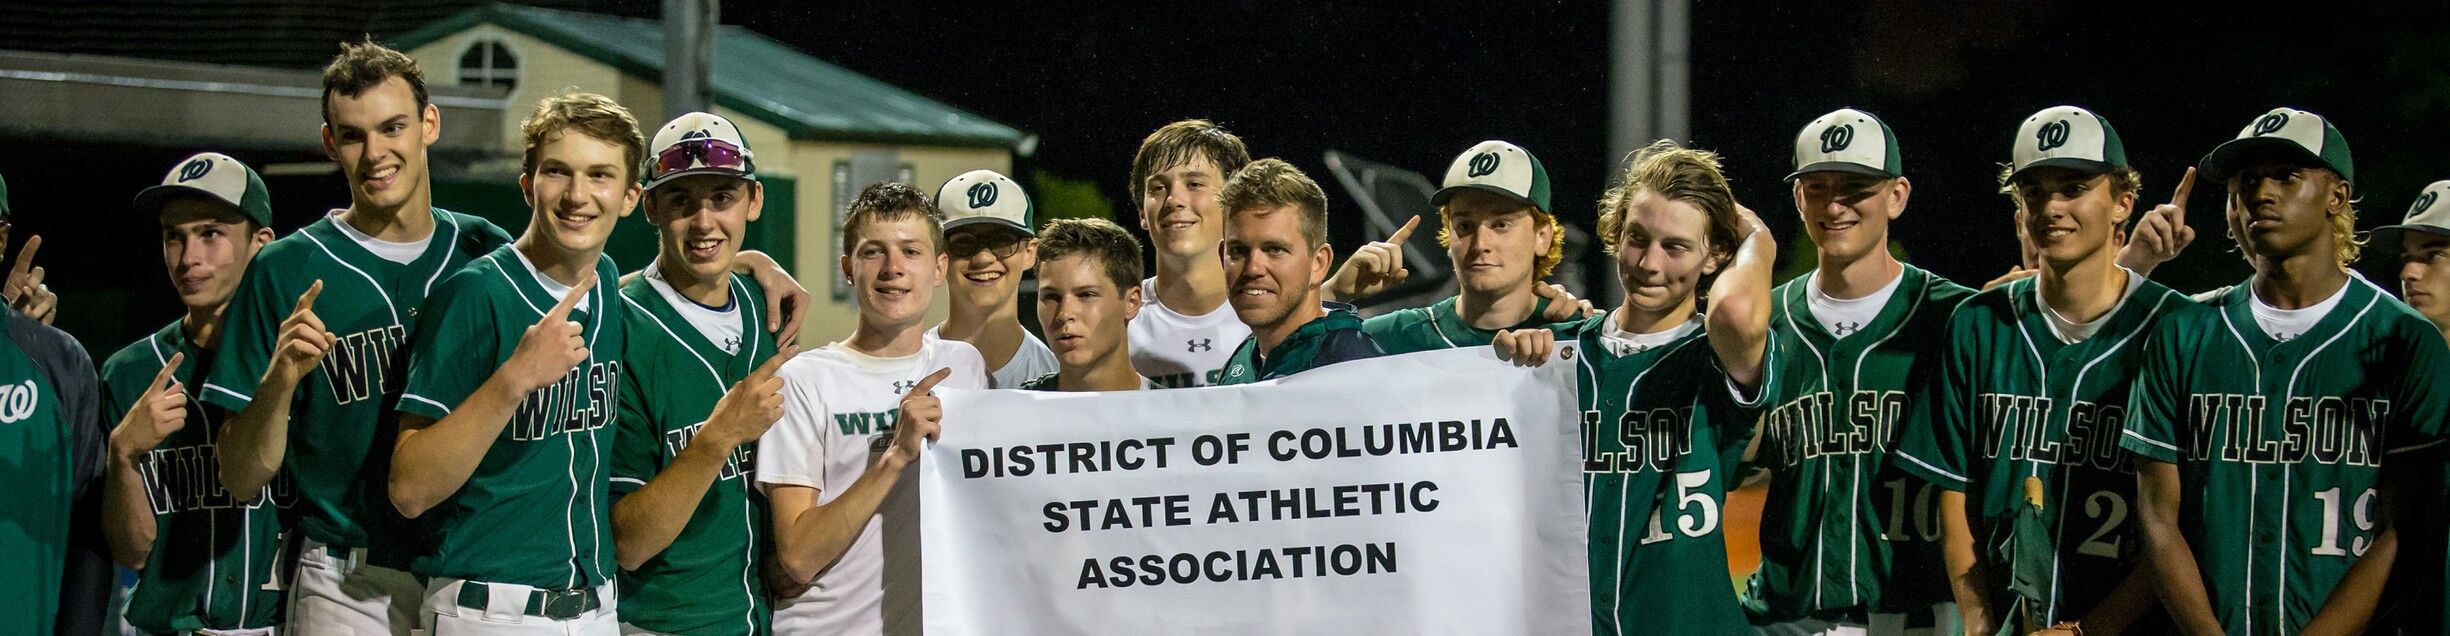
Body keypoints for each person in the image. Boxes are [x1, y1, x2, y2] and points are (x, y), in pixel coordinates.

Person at [2121, 107, 2450, 634]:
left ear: (2337, 197)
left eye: (2287, 176)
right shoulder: (2182, 332)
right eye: (2246, 181)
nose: (2261, 193)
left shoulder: (2407, 340)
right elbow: (2158, 517)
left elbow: (2400, 525)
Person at [1892, 106, 2187, 636]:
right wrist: (1980, 621)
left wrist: (2092, 629)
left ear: (2123, 203)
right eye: (2033, 192)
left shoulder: (2177, 328)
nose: (2051, 206)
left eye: (2073, 187)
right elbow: (1955, 495)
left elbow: (2188, 520)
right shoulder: (1979, 323)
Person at [1496, 140, 1777, 635]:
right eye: (1637, 238)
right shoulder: (1557, 352)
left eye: (1676, 247)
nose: (1649, 263)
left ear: (1714, 258)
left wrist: (1758, 238)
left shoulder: (1716, 357)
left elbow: (1734, 313)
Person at [389, 91, 643, 633]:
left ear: (629, 197)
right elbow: (409, 489)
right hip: (490, 609)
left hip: (596, 608)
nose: (578, 195)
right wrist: (515, 379)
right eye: (558, 172)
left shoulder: (607, 285)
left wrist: (752, 261)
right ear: (527, 184)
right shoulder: (477, 294)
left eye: (600, 176)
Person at [1745, 108, 1978, 635]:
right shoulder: (1765, 320)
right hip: (1787, 618)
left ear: (1897, 195)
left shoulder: (1954, 317)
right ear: (1799, 197)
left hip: (1918, 617)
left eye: (1855, 188)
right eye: (1818, 186)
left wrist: (2133, 267)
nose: (1835, 204)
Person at [757, 182, 988, 634]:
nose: (893, 268)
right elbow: (799, 557)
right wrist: (896, 456)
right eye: (873, 252)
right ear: (848, 268)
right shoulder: (805, 379)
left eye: (912, 252)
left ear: (940, 268)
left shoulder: (965, 367)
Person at [607, 111, 792, 636]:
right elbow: (629, 544)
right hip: (660, 623)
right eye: (682, 201)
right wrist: (721, 436)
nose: (705, 221)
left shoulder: (768, 308)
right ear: (650, 207)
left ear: (753, 201)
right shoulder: (621, 326)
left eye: (722, 198)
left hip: (762, 617)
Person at [100, 152, 292, 635]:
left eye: (211, 234)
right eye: (174, 237)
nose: (189, 258)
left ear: (261, 243)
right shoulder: (128, 374)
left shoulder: (298, 363)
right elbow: (130, 552)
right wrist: (122, 455)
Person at [1324, 140, 1588, 352]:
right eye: (1464, 226)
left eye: (1501, 224)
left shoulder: (1575, 333)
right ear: (1448, 237)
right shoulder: (1396, 337)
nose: (1480, 243)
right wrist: (1332, 294)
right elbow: (1291, 364)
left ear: (1542, 237)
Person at [1213, 158, 1382, 384]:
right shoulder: (1242, 361)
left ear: (1319, 263)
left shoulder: (1352, 364)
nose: (1252, 268)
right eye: (1238, 251)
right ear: (1222, 256)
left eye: (1274, 249)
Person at [1126, 120, 1253, 388]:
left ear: (1235, 203)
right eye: (1158, 187)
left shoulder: (1273, 314)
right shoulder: (1116, 322)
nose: (1174, 199)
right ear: (1141, 213)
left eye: (1194, 184)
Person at [929, 170, 1055, 388]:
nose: (983, 258)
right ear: (939, 255)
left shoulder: (1056, 376)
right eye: (964, 242)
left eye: (1002, 241)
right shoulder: (908, 368)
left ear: (1030, 253)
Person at [1021, 218, 1159, 391]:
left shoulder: (1176, 414)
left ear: (1131, 302)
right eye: (1051, 297)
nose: (1064, 313)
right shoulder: (1015, 412)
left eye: (1086, 295)